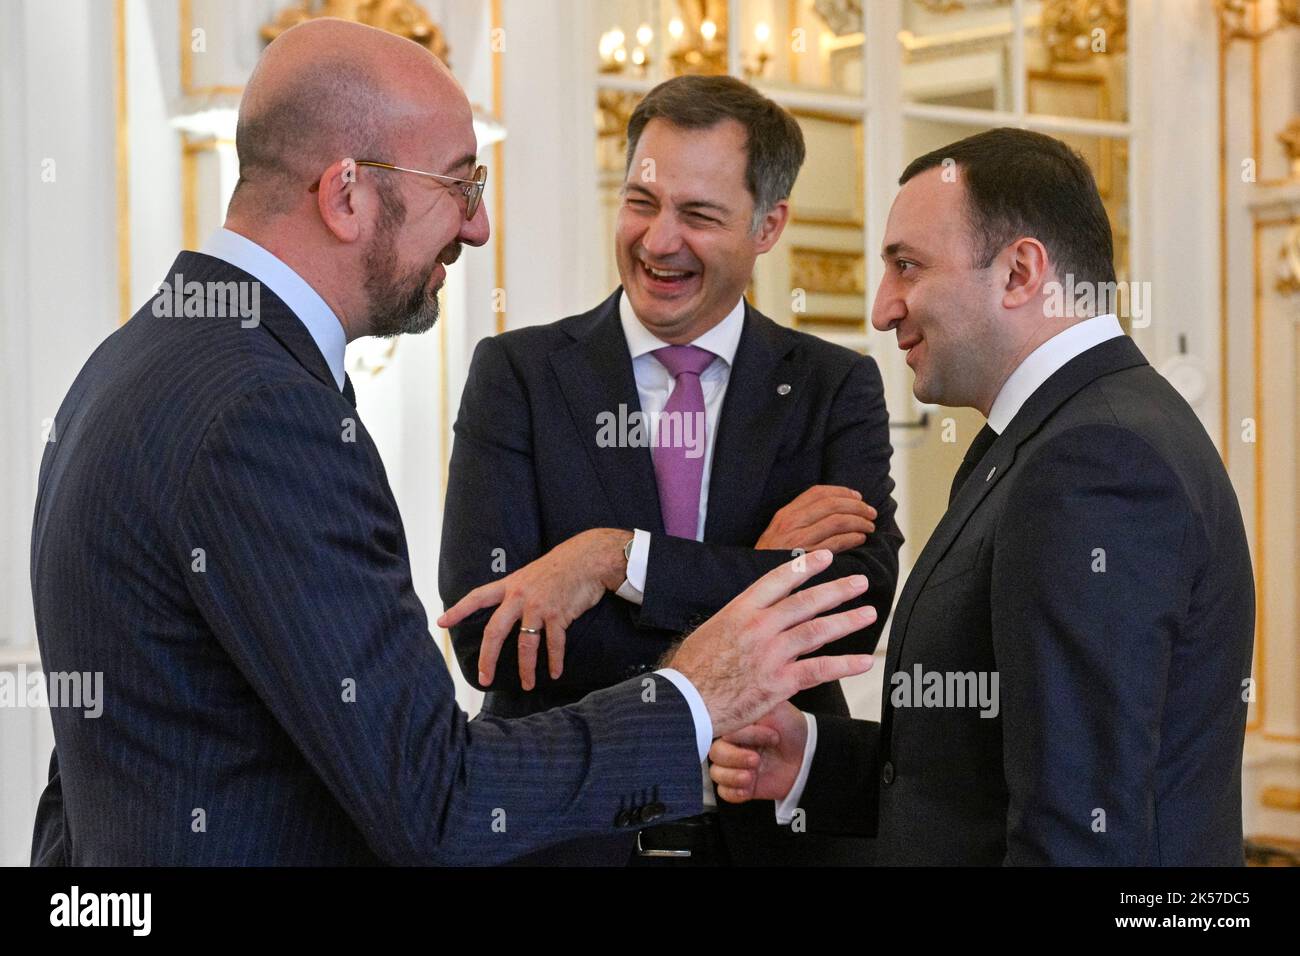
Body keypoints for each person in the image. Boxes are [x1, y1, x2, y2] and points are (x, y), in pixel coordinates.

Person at [28, 18, 875, 866]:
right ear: (347, 195)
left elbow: (88, 767)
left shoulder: (136, 359)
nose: (477, 229)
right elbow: (441, 799)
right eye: (459, 187)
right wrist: (697, 689)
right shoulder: (264, 410)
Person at [709, 128, 1255, 866]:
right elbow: (994, 767)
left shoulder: (1094, 459)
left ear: (1020, 271)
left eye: (907, 267)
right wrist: (811, 756)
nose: (882, 308)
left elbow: (1081, 830)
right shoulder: (1059, 433)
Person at [437, 74, 902, 866]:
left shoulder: (835, 385)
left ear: (769, 224)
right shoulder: (518, 373)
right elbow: (491, 629)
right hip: (563, 837)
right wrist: (761, 577)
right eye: (642, 203)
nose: (658, 241)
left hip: (769, 839)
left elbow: (850, 609)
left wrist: (615, 560)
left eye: (699, 214)